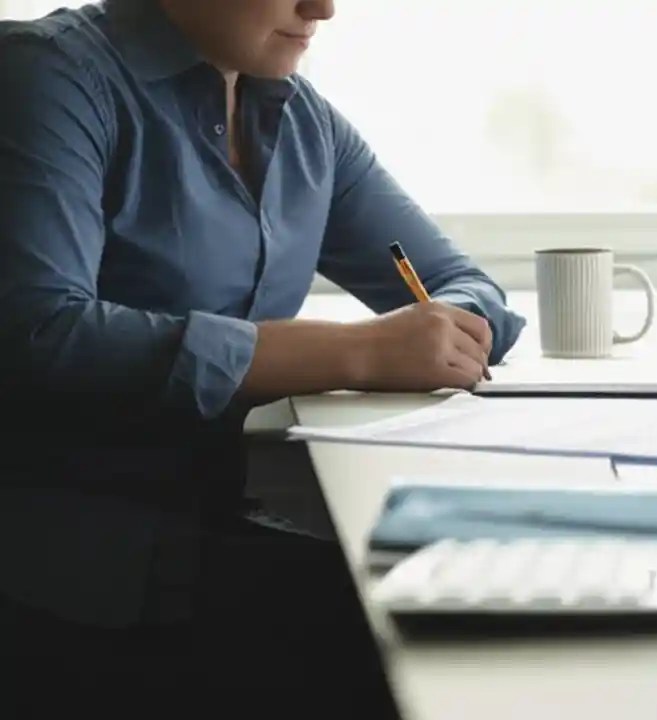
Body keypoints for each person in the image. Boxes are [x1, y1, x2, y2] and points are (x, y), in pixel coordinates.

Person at [0, 0, 525, 715]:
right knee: (444, 648)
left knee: (491, 603)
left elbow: (467, 288)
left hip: (220, 527)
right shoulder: (48, 76)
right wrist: (353, 353)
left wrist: (451, 327)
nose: (324, 8)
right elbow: (38, 335)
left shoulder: (303, 122)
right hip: (72, 569)